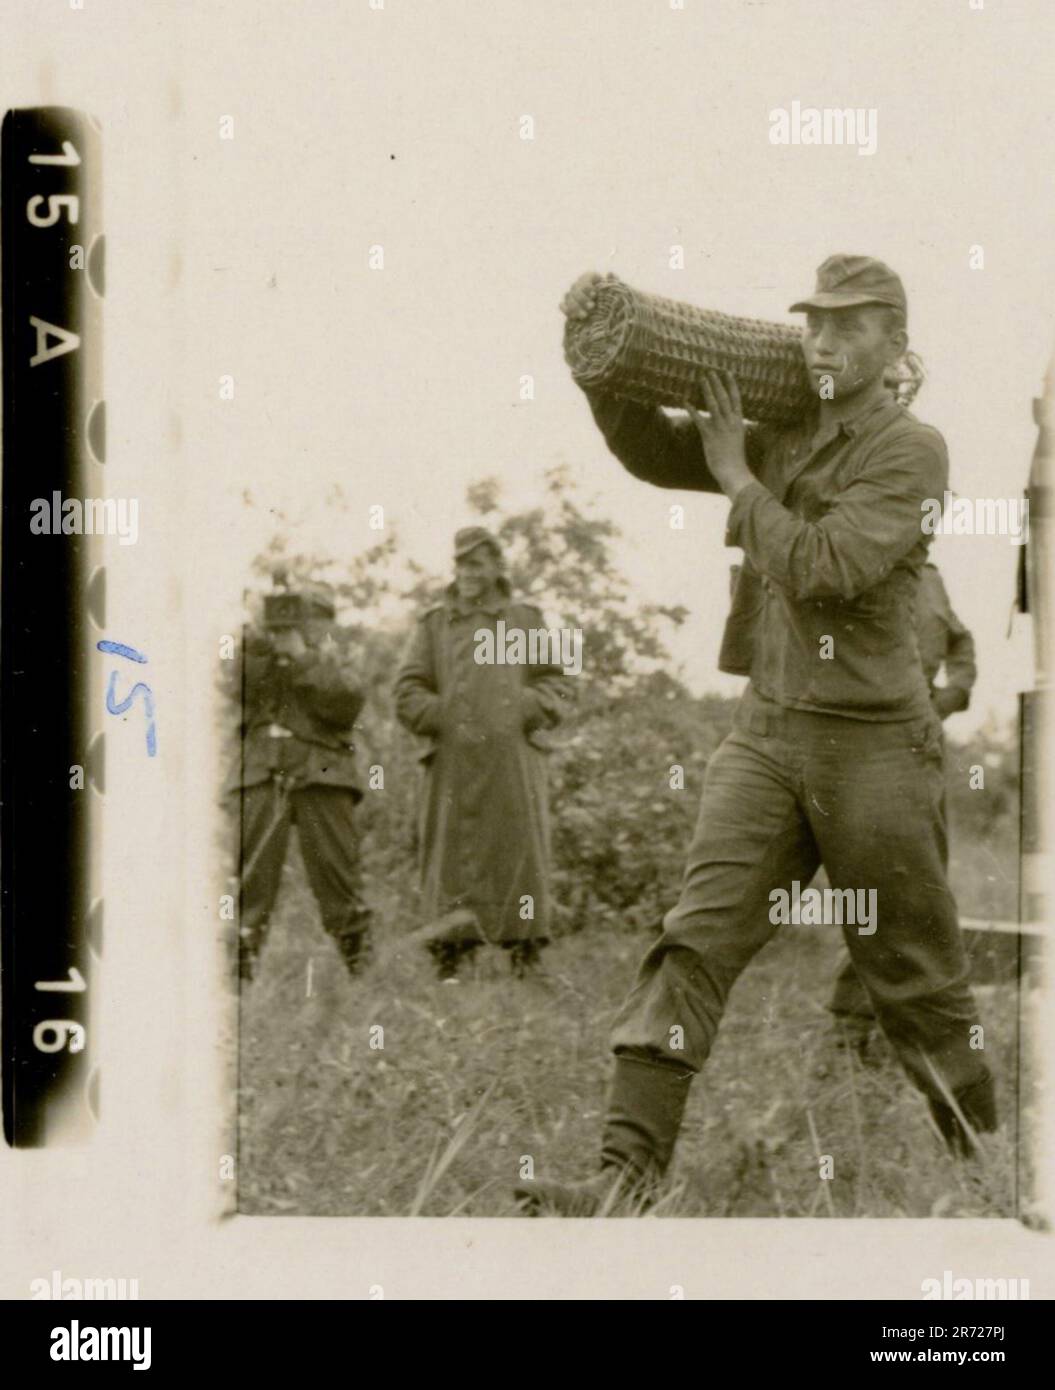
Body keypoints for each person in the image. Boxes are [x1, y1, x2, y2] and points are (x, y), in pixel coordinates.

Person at [517, 255, 997, 1215]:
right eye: (813, 322)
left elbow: (827, 565)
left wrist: (737, 473)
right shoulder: (779, 428)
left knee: (911, 974)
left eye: (850, 326)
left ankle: (986, 1176)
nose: (822, 339)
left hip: (873, 746)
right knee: (693, 940)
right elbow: (656, 455)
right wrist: (603, 374)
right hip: (768, 733)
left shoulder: (913, 450)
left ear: (894, 345)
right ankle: (625, 1177)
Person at [394, 527, 572, 979]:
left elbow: (557, 682)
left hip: (510, 764)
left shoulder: (523, 619)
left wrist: (523, 709)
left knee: (517, 854)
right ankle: (451, 960)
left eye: (476, 564)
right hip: (452, 764)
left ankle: (525, 955)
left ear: (496, 568)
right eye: (460, 564)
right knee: (452, 858)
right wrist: (442, 715)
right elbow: (407, 689)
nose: (466, 574)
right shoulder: (435, 624)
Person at [826, 561, 977, 1049]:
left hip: (920, 738)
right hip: (861, 735)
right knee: (876, 879)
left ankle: (905, 1027)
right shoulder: (851, 559)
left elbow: (960, 640)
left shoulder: (931, 575)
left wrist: (953, 695)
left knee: (924, 882)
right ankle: (851, 1027)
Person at [222, 578, 370, 982]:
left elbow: (347, 703)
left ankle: (363, 975)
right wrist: (257, 642)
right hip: (260, 770)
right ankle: (238, 980)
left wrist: (303, 658)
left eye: (310, 619)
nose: (297, 626)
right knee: (250, 879)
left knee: (339, 881)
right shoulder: (254, 649)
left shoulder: (339, 653)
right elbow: (232, 685)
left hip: (323, 773)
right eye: (289, 618)